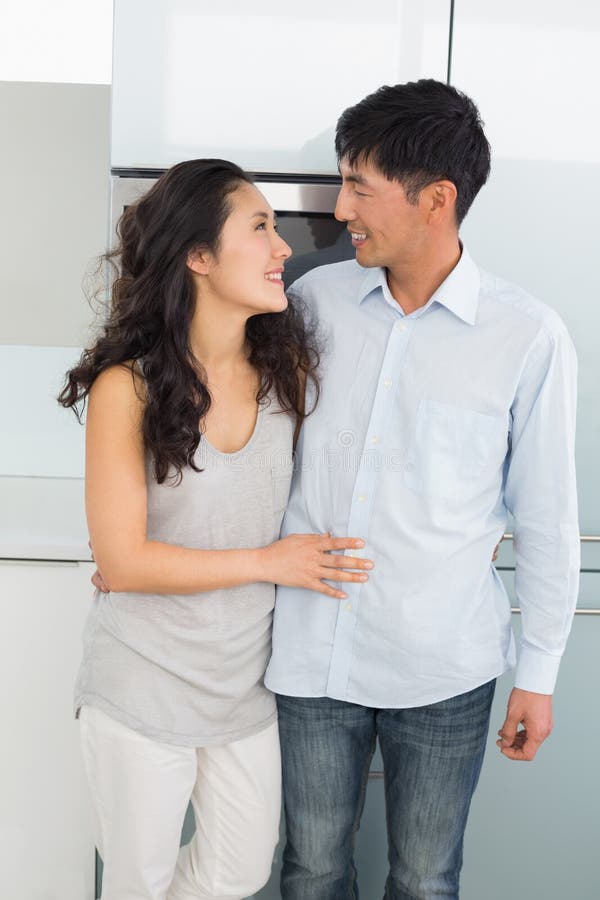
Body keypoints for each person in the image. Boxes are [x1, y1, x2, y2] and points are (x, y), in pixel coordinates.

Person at [264, 79, 580, 899]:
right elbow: (244, 450)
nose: (340, 209)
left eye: (359, 187)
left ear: (435, 198)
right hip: (310, 657)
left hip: (442, 665)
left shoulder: (528, 336)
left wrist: (538, 676)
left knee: (427, 878)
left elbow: (547, 518)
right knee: (310, 871)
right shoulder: (311, 304)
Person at [58, 158, 373, 900]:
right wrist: (270, 562)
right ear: (198, 256)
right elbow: (125, 562)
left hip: (243, 688)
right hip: (142, 682)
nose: (283, 248)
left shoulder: (285, 373)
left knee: (240, 869)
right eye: (259, 227)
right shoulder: (125, 388)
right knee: (140, 881)